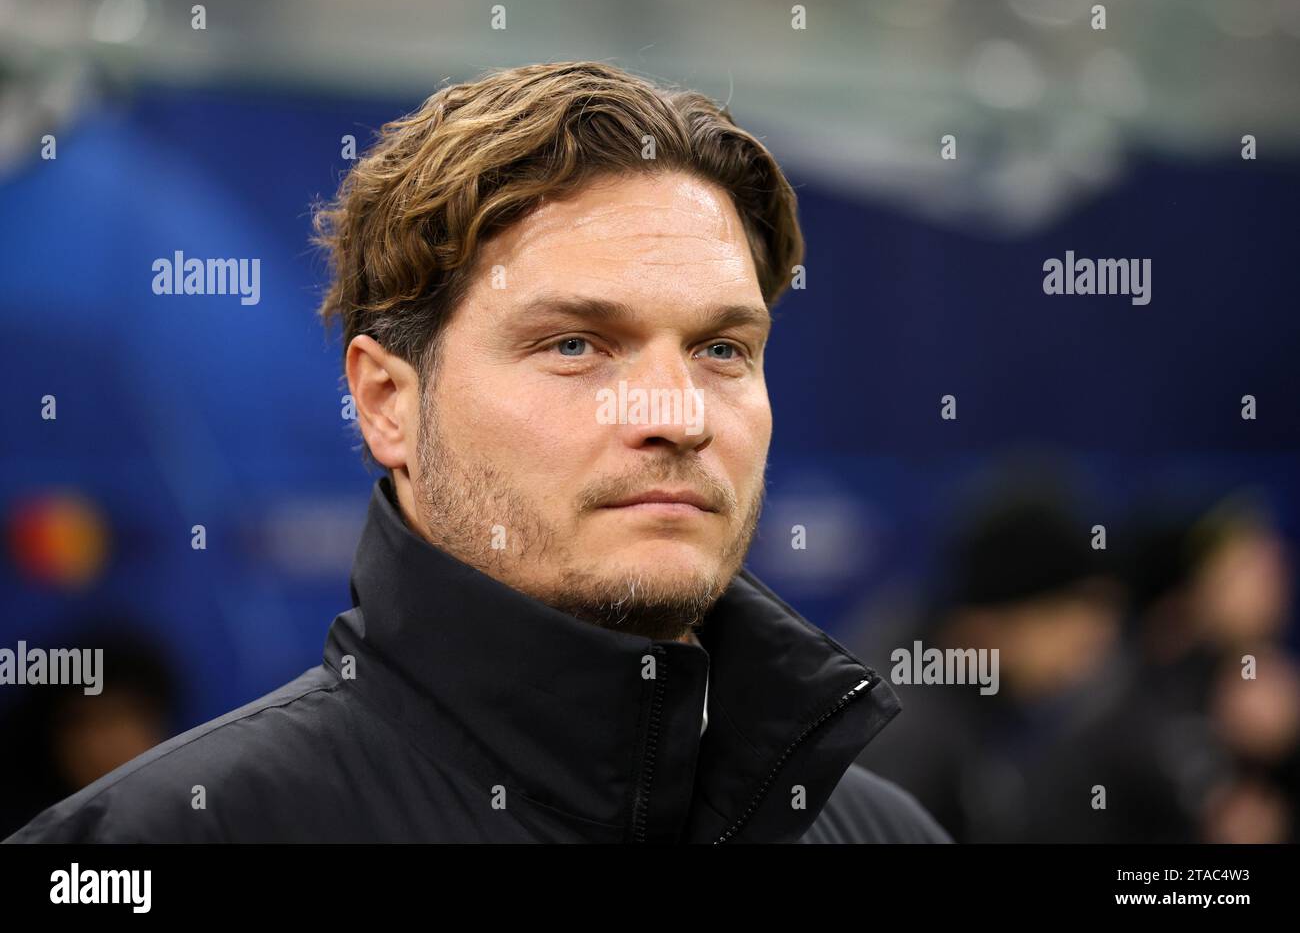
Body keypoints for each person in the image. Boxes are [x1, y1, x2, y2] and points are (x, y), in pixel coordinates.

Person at [6, 61, 948, 843]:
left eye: (722, 350)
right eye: (574, 344)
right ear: (387, 404)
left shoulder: (886, 835)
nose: (680, 415)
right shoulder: (155, 844)